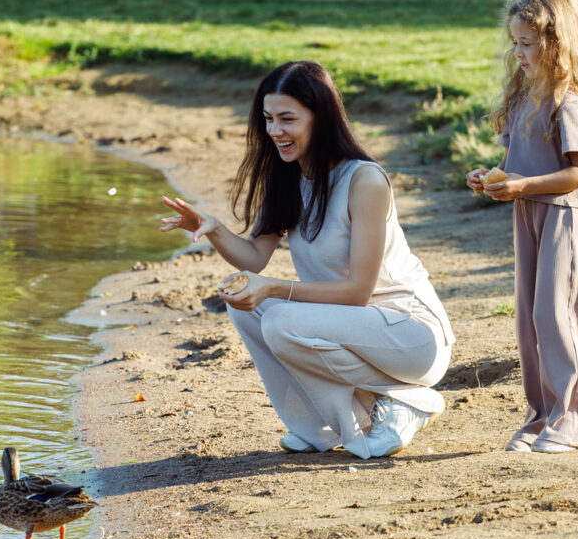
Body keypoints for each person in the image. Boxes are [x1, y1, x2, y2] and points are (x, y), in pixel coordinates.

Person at [160, 60, 454, 459]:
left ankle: (406, 402)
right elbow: (254, 258)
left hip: (409, 336)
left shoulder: (364, 180)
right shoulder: (288, 177)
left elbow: (358, 292)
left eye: (287, 119)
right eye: (268, 119)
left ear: (321, 117)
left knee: (279, 317)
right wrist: (213, 228)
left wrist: (276, 290)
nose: (275, 131)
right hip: (351, 327)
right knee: (247, 309)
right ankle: (316, 425)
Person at [466, 0, 578, 453]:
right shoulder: (520, 101)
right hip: (527, 217)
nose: (519, 53)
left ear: (557, 42)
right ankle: (542, 414)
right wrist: (490, 177)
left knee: (557, 314)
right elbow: (513, 166)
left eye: (528, 43)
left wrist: (524, 186)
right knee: (529, 319)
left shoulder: (567, 103)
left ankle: (576, 417)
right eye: (516, 43)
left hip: (564, 218)